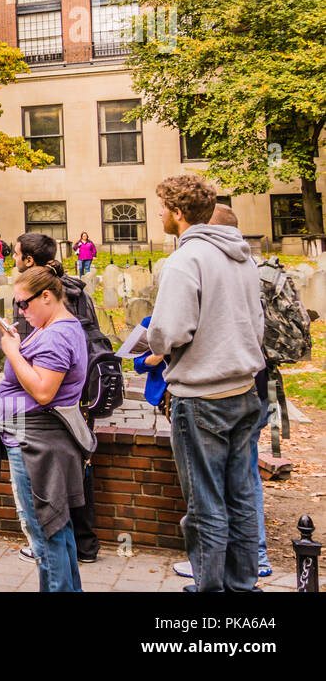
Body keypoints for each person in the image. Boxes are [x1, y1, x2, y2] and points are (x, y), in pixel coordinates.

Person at [145, 177, 264, 591]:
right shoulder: (242, 256)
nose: (158, 213)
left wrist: (154, 343)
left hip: (201, 399)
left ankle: (211, 589)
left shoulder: (185, 260)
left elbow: (168, 331)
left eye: (161, 207)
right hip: (245, 390)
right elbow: (257, 322)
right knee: (242, 497)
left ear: (178, 213)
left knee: (205, 505)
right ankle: (242, 586)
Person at [0, 265, 91, 592]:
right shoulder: (58, 328)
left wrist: (13, 352)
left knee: (45, 532)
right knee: (57, 528)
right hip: (37, 438)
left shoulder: (58, 334)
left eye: (24, 303)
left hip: (35, 443)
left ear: (47, 296)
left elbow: (44, 390)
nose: (19, 310)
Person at [11, 231, 107, 564]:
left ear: (29, 261)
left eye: (16, 254)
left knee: (53, 477)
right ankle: (85, 543)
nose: (12, 259)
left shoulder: (35, 299)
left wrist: (12, 352)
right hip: (82, 388)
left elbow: (32, 358)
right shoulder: (75, 289)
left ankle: (56, 542)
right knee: (81, 465)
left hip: (53, 397)